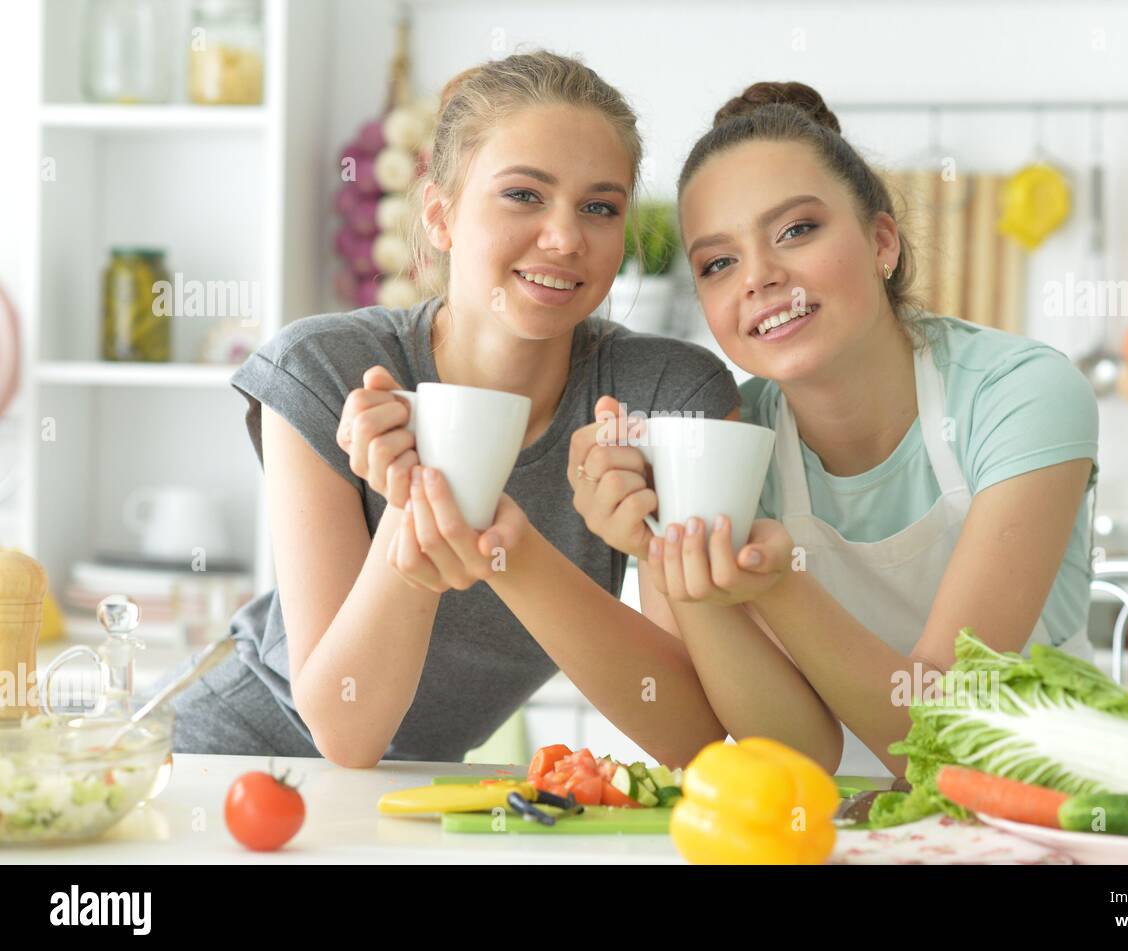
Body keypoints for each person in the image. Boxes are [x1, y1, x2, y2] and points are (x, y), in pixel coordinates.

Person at [166, 51, 738, 769]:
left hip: (404, 800)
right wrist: (416, 504)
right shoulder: (326, 370)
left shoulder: (666, 398)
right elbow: (346, 731)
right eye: (524, 195)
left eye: (600, 206)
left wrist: (515, 553)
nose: (564, 237)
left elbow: (689, 734)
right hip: (217, 764)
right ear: (439, 213)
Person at [571, 82, 1099, 776]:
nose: (758, 277)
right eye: (718, 263)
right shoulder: (729, 443)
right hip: (831, 829)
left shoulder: (1019, 393)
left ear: (882, 241)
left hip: (1051, 820)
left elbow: (939, 740)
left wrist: (778, 583)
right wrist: (666, 540)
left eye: (795, 230)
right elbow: (788, 753)